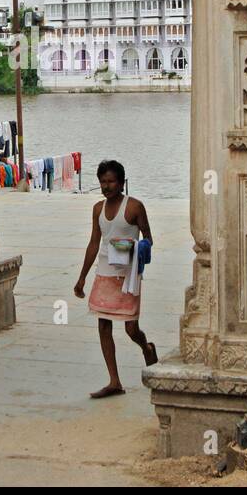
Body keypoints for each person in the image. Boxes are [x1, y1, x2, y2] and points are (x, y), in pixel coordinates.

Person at [73, 159, 158, 398]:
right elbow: (93, 243)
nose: (106, 186)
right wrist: (82, 278)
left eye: (111, 181)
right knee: (103, 325)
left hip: (128, 275)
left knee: (131, 328)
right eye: (102, 181)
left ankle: (146, 347)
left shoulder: (134, 207)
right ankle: (114, 381)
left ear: (121, 182)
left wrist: (129, 249)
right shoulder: (97, 209)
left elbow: (149, 239)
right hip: (104, 273)